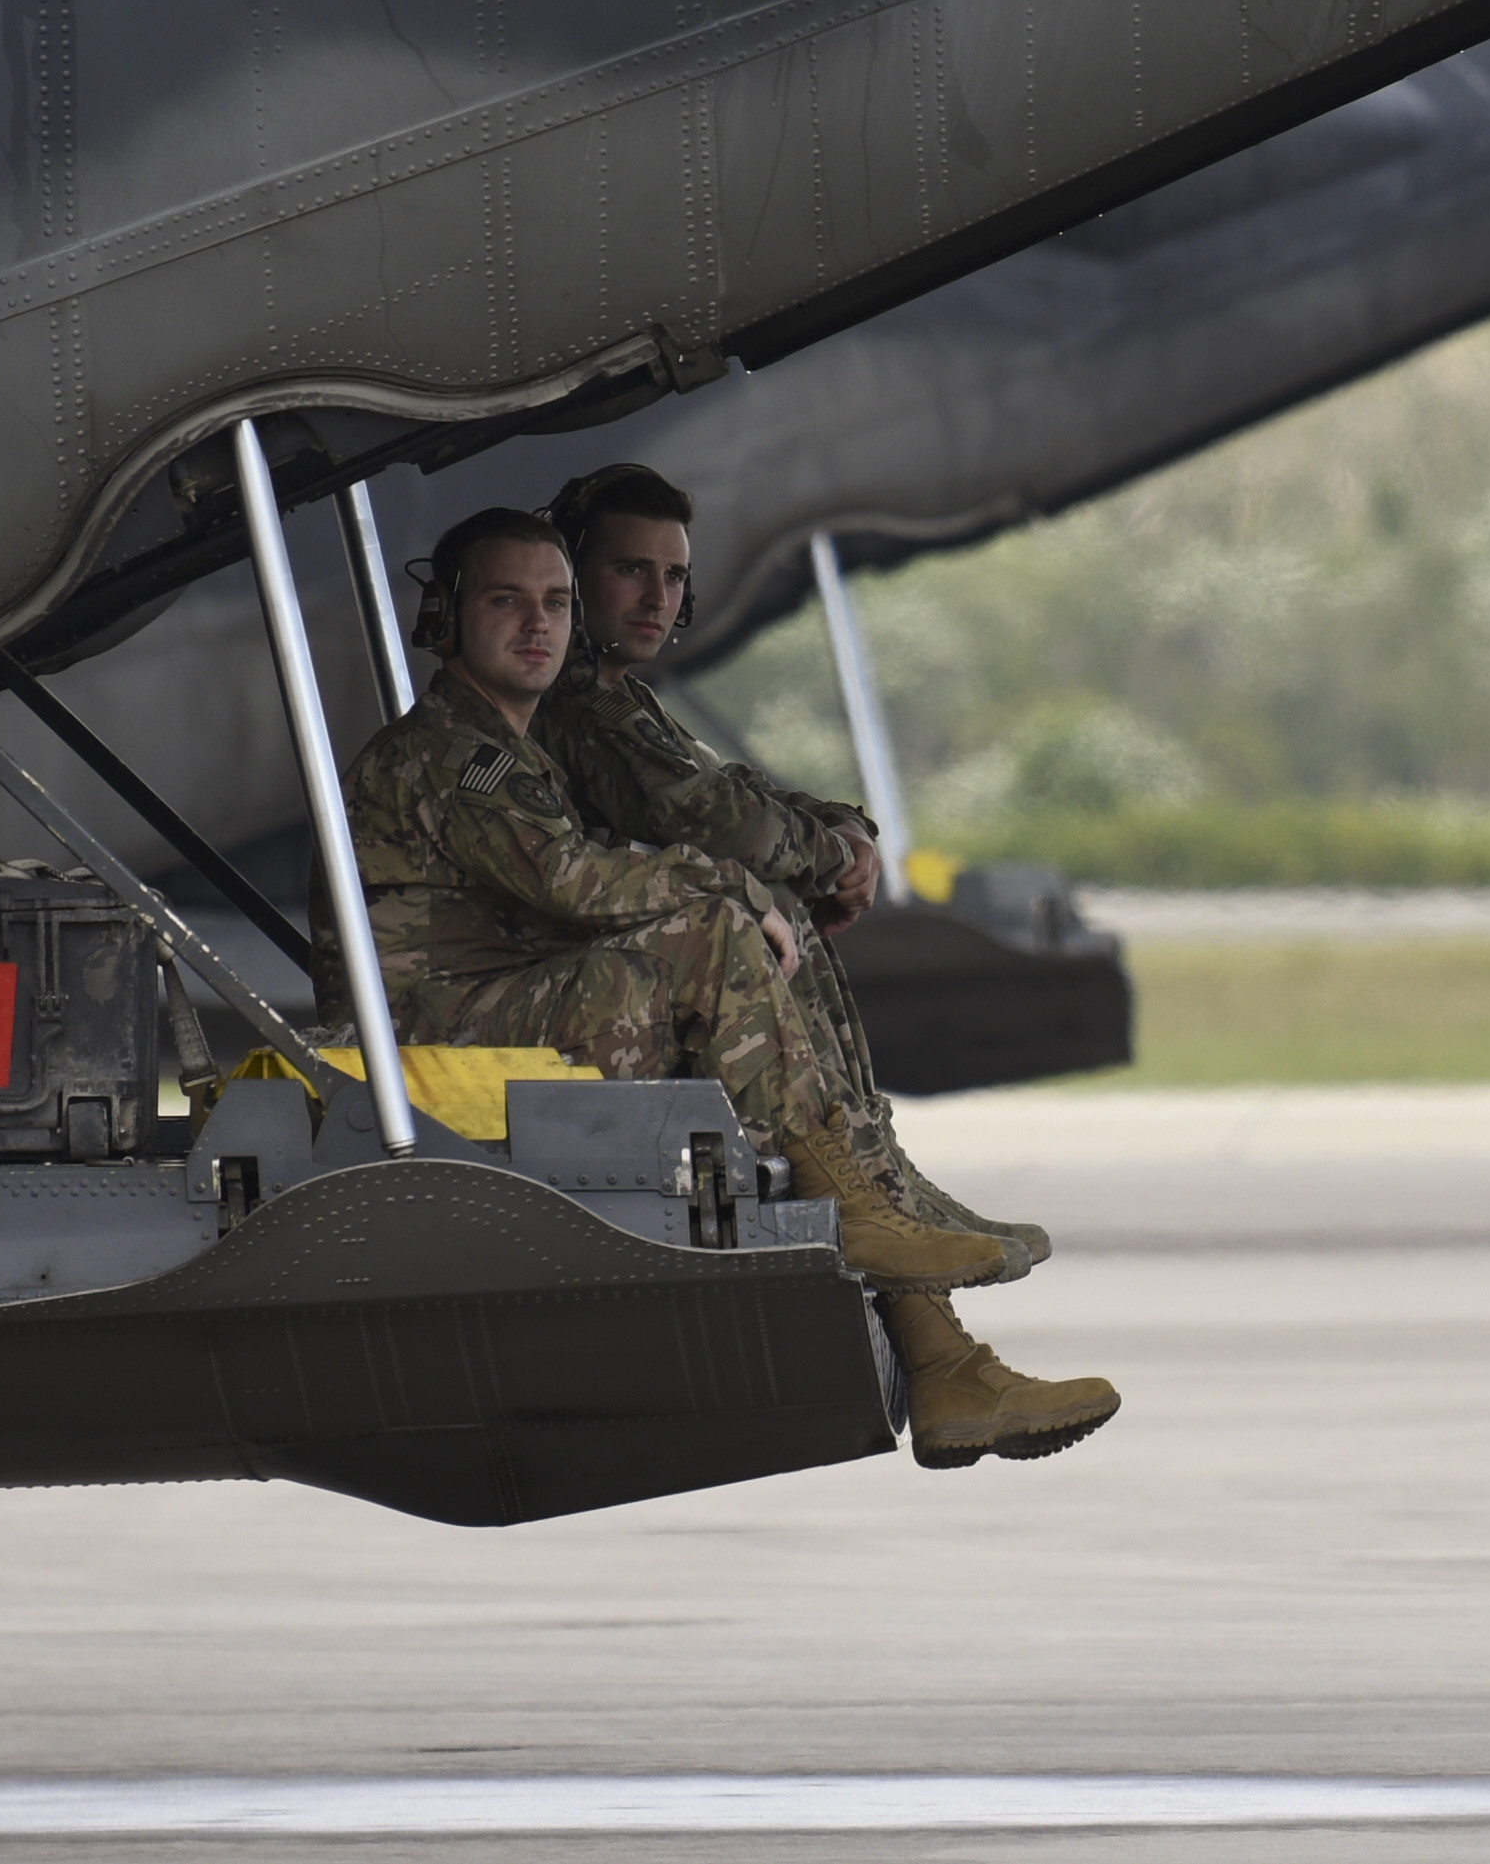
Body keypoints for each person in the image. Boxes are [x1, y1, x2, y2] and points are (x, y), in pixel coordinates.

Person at [339, 505, 1119, 1468]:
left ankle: (935, 1342)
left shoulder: (512, 744)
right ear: (447, 616)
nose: (537, 624)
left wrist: (754, 892)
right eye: (506, 601)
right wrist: (733, 890)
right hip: (437, 1035)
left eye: (555, 603)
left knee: (732, 927)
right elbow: (572, 880)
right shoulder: (453, 752)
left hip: (498, 1007)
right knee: (710, 933)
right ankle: (861, 1206)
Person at [528, 463, 1084, 1443]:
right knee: (761, 911)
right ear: (575, 577)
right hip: (603, 986)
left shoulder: (622, 698)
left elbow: (734, 792)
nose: (657, 597)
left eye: (672, 576)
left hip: (634, 971)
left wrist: (841, 830)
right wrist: (830, 853)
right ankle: (887, 1205)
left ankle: (936, 1335)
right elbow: (717, 822)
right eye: (629, 571)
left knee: (771, 906)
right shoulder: (579, 710)